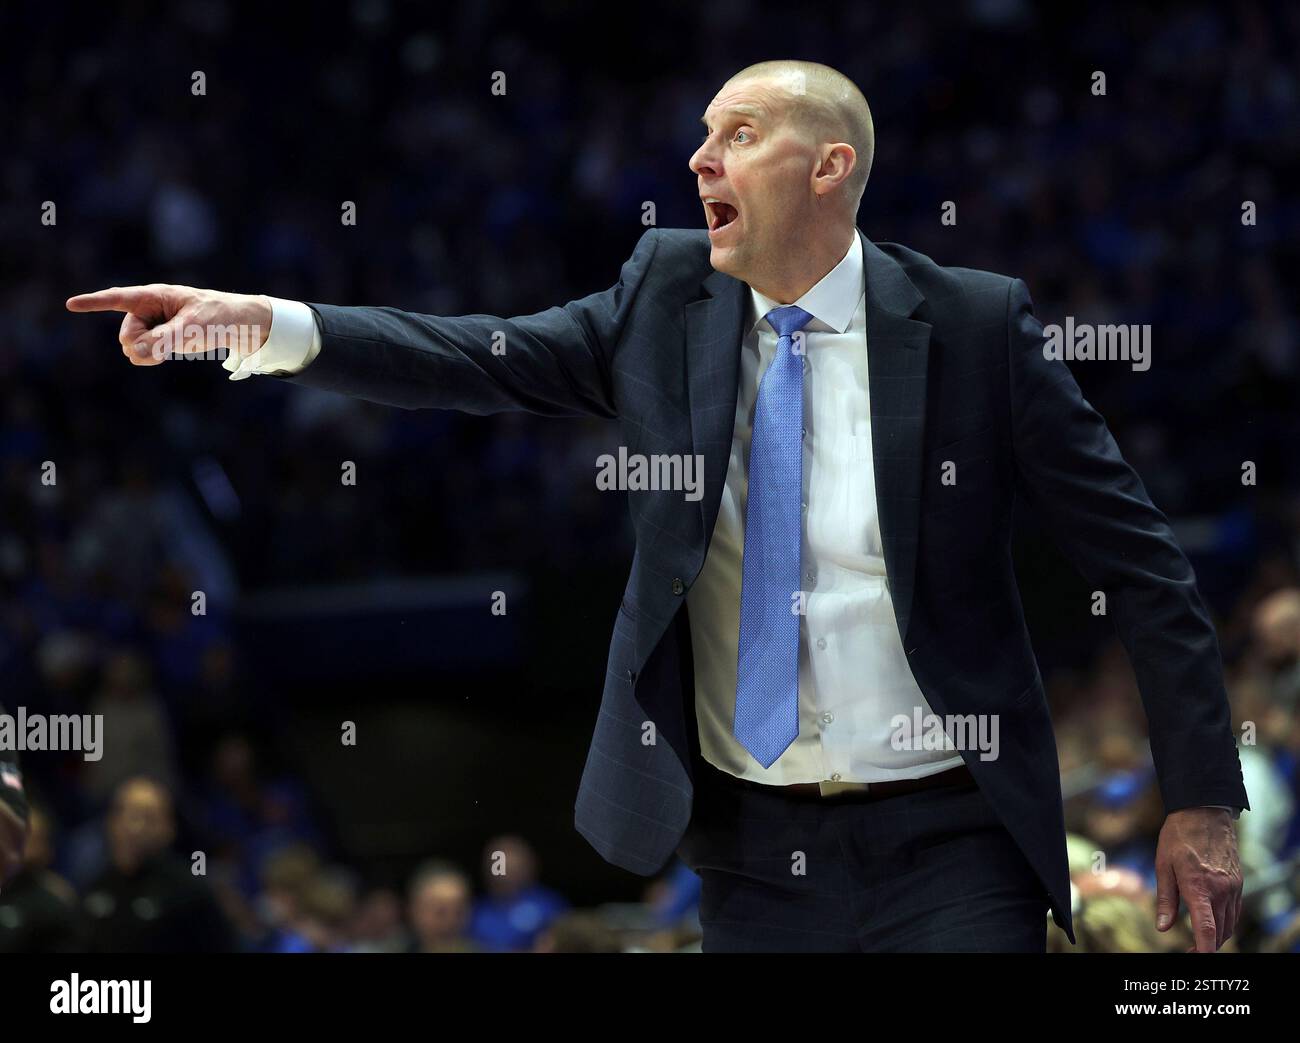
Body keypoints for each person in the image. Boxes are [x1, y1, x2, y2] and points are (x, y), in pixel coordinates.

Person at [67, 59, 1247, 952]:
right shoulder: (663, 295)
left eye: (738, 135)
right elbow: (474, 355)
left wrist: (1201, 793)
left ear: (827, 166)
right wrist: (265, 323)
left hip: (953, 833)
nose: (698, 160)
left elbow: (1142, 563)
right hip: (747, 846)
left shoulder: (975, 325)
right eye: (699, 136)